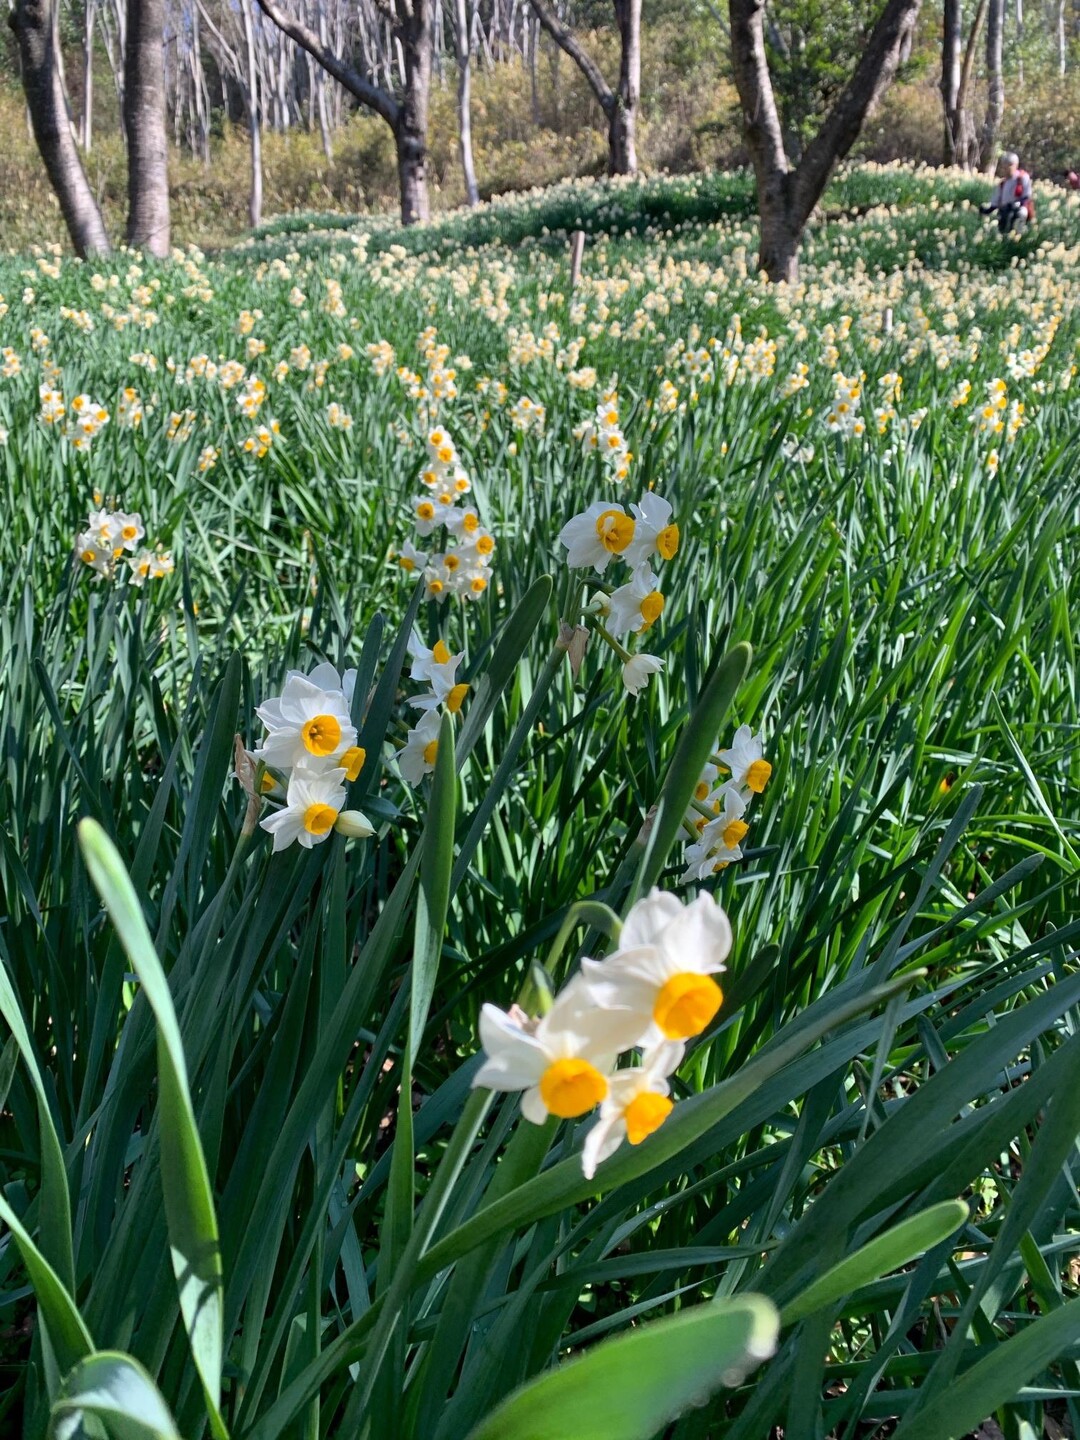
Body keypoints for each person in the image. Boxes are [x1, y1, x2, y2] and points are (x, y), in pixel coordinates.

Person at [980, 153, 1034, 233]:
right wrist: (987, 210)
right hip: (1004, 210)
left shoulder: (1022, 178)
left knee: (1021, 214)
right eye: (1004, 166)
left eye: (1009, 165)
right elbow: (995, 202)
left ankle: (1018, 236)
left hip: (1019, 209)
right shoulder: (1002, 184)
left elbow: (1027, 196)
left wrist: (1017, 204)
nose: (1006, 168)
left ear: (1016, 165)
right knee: (1001, 224)